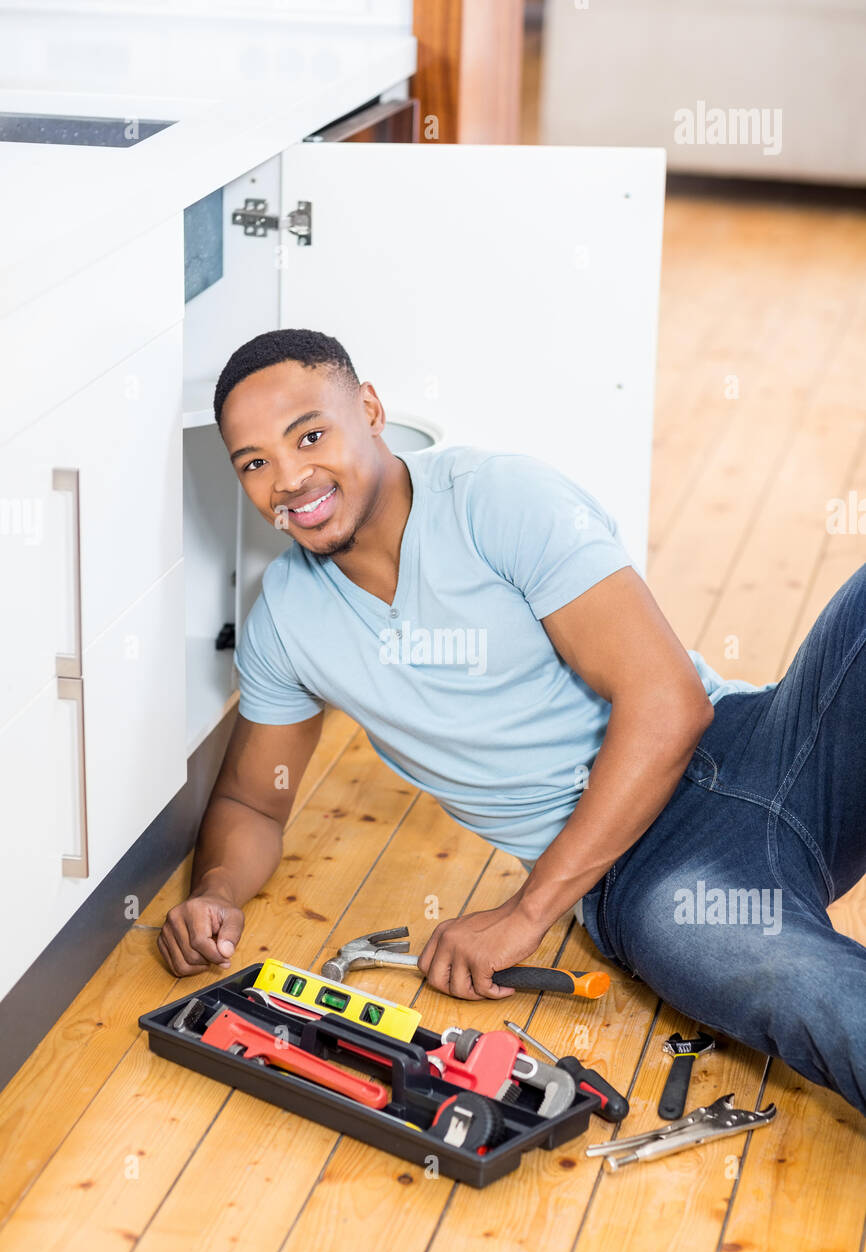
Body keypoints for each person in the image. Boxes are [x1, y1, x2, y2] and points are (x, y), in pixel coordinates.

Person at [158, 329, 866, 1116]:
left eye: (310, 435)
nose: (289, 479)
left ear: (370, 409)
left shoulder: (497, 498)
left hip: (762, 745)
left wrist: (526, 914)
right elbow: (253, 803)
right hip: (643, 876)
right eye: (254, 462)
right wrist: (217, 892)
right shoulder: (286, 625)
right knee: (809, 991)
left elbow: (670, 703)